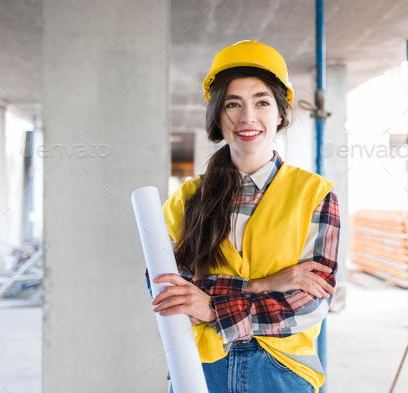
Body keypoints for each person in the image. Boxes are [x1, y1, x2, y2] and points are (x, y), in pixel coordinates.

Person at [145, 40, 340, 393]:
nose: (247, 117)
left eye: (262, 102)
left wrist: (212, 307)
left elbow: (310, 303)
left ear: (281, 113)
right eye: (233, 104)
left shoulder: (314, 193)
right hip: (200, 367)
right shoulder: (187, 199)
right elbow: (165, 289)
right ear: (218, 117)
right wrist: (263, 285)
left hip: (281, 370)